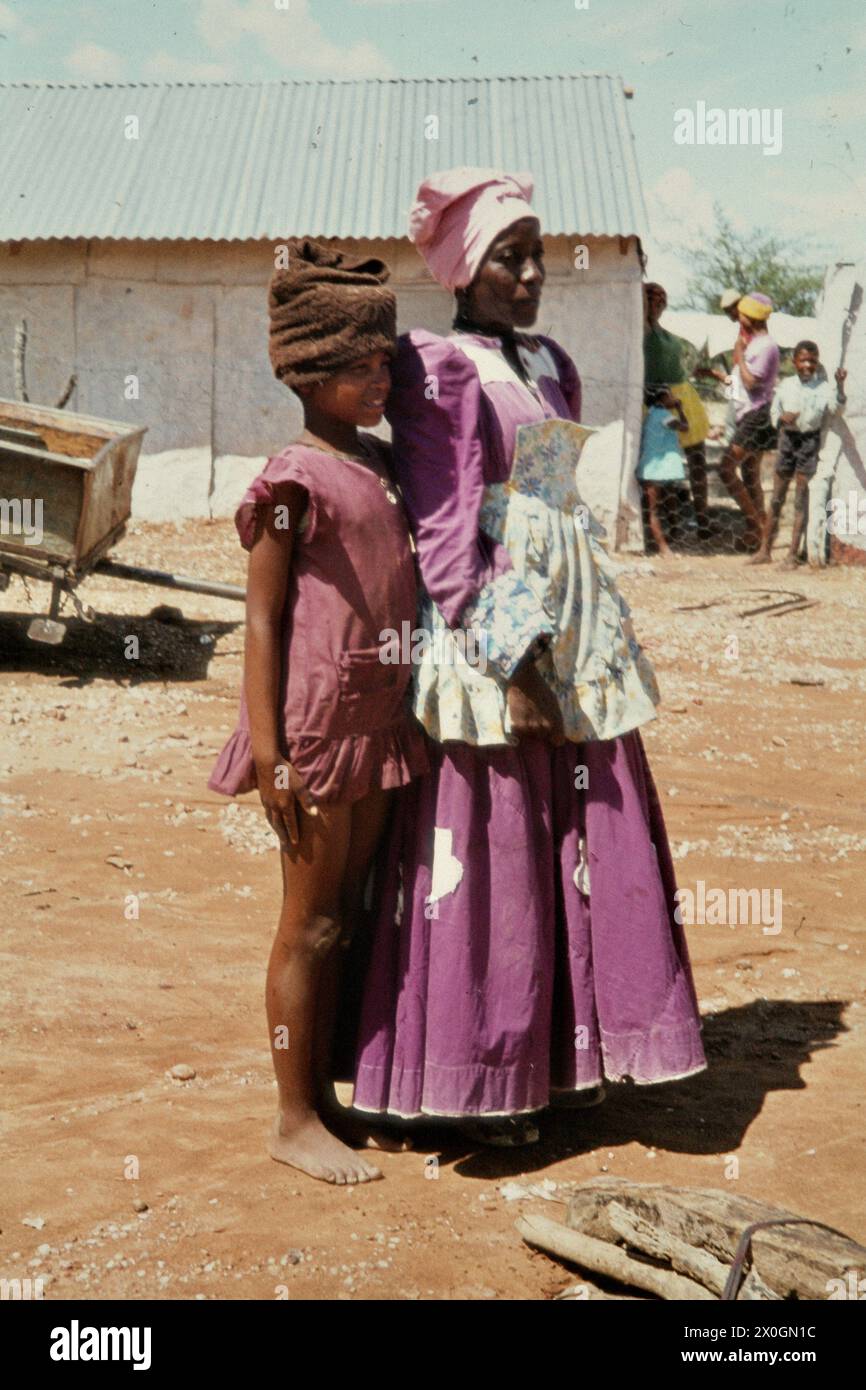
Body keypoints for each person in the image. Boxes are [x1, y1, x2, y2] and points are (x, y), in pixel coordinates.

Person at [351, 168, 707, 1144]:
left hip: (567, 626)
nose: (532, 272)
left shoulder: (548, 364)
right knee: (495, 851)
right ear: (465, 268)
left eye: (536, 253)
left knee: (580, 842)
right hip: (494, 642)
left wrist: (569, 637)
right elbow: (450, 535)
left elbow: (542, 507)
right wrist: (516, 666)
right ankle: (479, 1078)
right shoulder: (435, 368)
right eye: (510, 256)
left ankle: (561, 1060)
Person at [207, 239, 428, 1184]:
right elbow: (260, 620)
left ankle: (325, 1094)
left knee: (348, 917)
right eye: (355, 366)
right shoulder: (294, 479)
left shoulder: (380, 462)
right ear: (306, 371)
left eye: (384, 361)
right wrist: (270, 751)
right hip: (316, 733)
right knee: (306, 921)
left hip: (380, 719)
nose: (377, 379)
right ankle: (291, 1117)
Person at [751, 341, 847, 567]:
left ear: (817, 362)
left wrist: (840, 386)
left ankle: (792, 554)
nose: (807, 365)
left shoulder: (823, 388)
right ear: (794, 362)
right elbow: (774, 411)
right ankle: (765, 550)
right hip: (787, 440)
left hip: (808, 442)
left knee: (801, 498)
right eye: (803, 360)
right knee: (776, 497)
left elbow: (836, 409)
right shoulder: (786, 385)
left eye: (812, 361)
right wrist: (782, 418)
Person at [643, 282, 711, 542]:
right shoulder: (643, 329)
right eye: (652, 301)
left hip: (684, 396)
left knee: (697, 460)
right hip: (660, 398)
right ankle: (669, 526)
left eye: (661, 301)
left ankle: (703, 519)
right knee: (663, 463)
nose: (657, 306)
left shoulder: (663, 331)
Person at [716, 292, 780, 550]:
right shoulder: (755, 342)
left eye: (741, 313)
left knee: (726, 469)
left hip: (758, 414)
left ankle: (758, 527)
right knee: (750, 474)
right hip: (749, 414)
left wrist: (741, 355)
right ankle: (758, 531)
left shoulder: (766, 346)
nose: (738, 317)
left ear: (750, 316)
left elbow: (752, 383)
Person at [637, 385, 689, 558]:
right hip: (656, 469)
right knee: (656, 509)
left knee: (663, 503)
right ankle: (664, 547)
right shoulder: (665, 417)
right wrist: (680, 409)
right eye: (670, 396)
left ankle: (671, 536)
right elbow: (685, 427)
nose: (673, 398)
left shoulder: (650, 414)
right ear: (662, 399)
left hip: (655, 468)